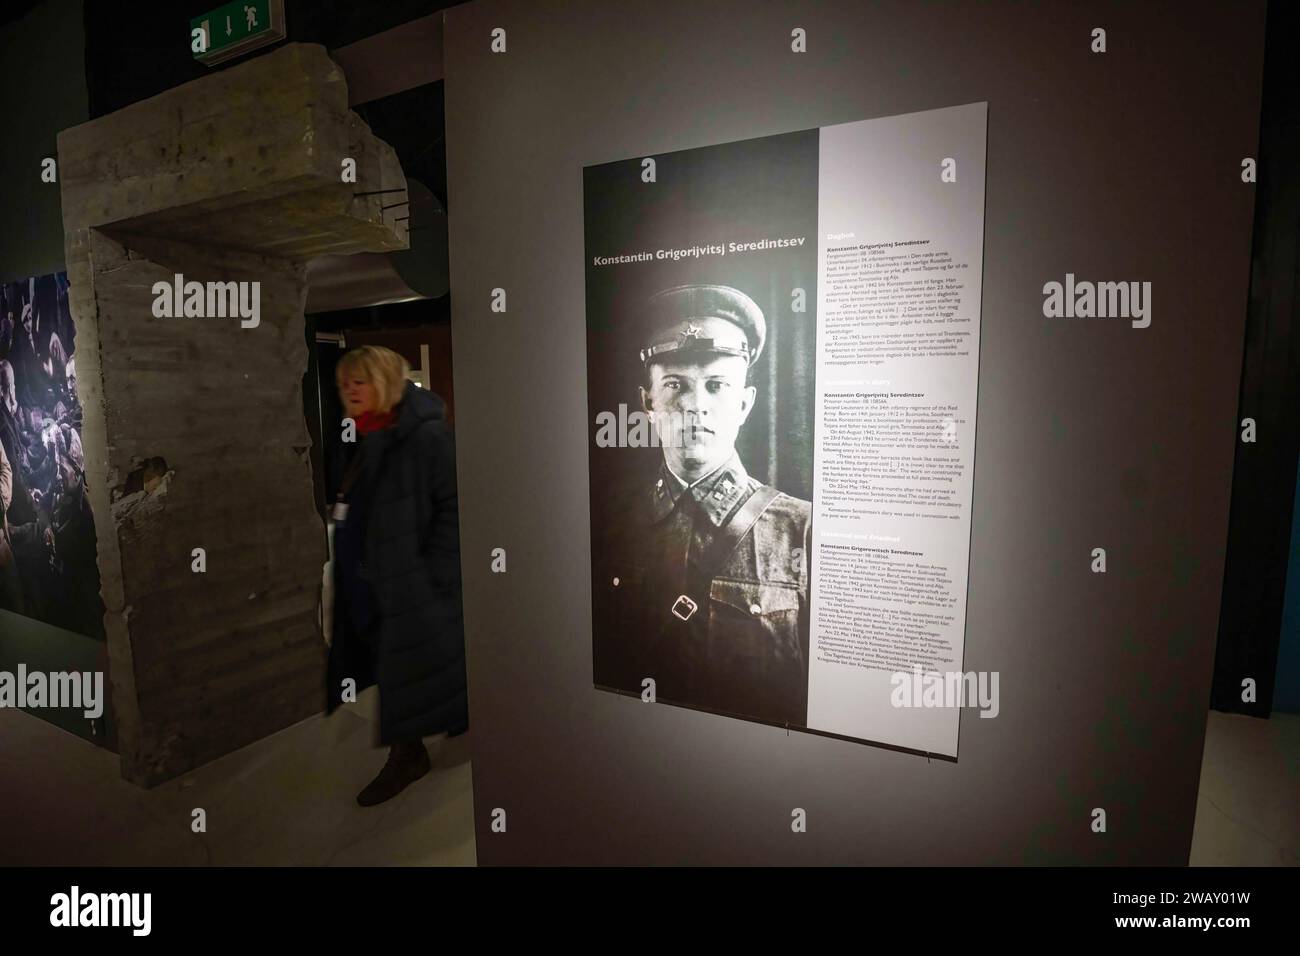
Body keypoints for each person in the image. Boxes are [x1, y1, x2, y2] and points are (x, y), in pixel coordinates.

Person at [592, 284, 812, 728]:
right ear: (647, 404)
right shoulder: (609, 523)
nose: (695, 406)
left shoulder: (803, 530)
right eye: (675, 385)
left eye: (716, 386)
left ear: (745, 403)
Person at [324, 345, 467, 807]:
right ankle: (455, 715)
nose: (349, 389)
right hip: (373, 583)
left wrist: (431, 578)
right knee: (403, 665)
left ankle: (409, 756)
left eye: (359, 380)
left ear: (385, 382)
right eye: (345, 382)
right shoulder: (370, 438)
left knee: (402, 672)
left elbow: (454, 510)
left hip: (410, 588)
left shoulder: (425, 440)